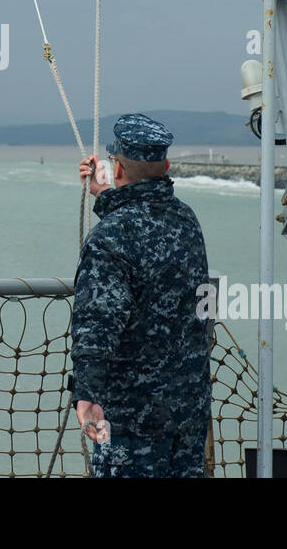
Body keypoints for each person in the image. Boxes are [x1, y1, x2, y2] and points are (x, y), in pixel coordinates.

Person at [71, 113, 212, 477]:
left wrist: (85, 395)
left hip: (132, 416)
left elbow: (98, 324)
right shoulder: (187, 220)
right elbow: (146, 223)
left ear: (116, 170)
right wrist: (108, 199)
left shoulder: (109, 239)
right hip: (188, 408)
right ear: (165, 165)